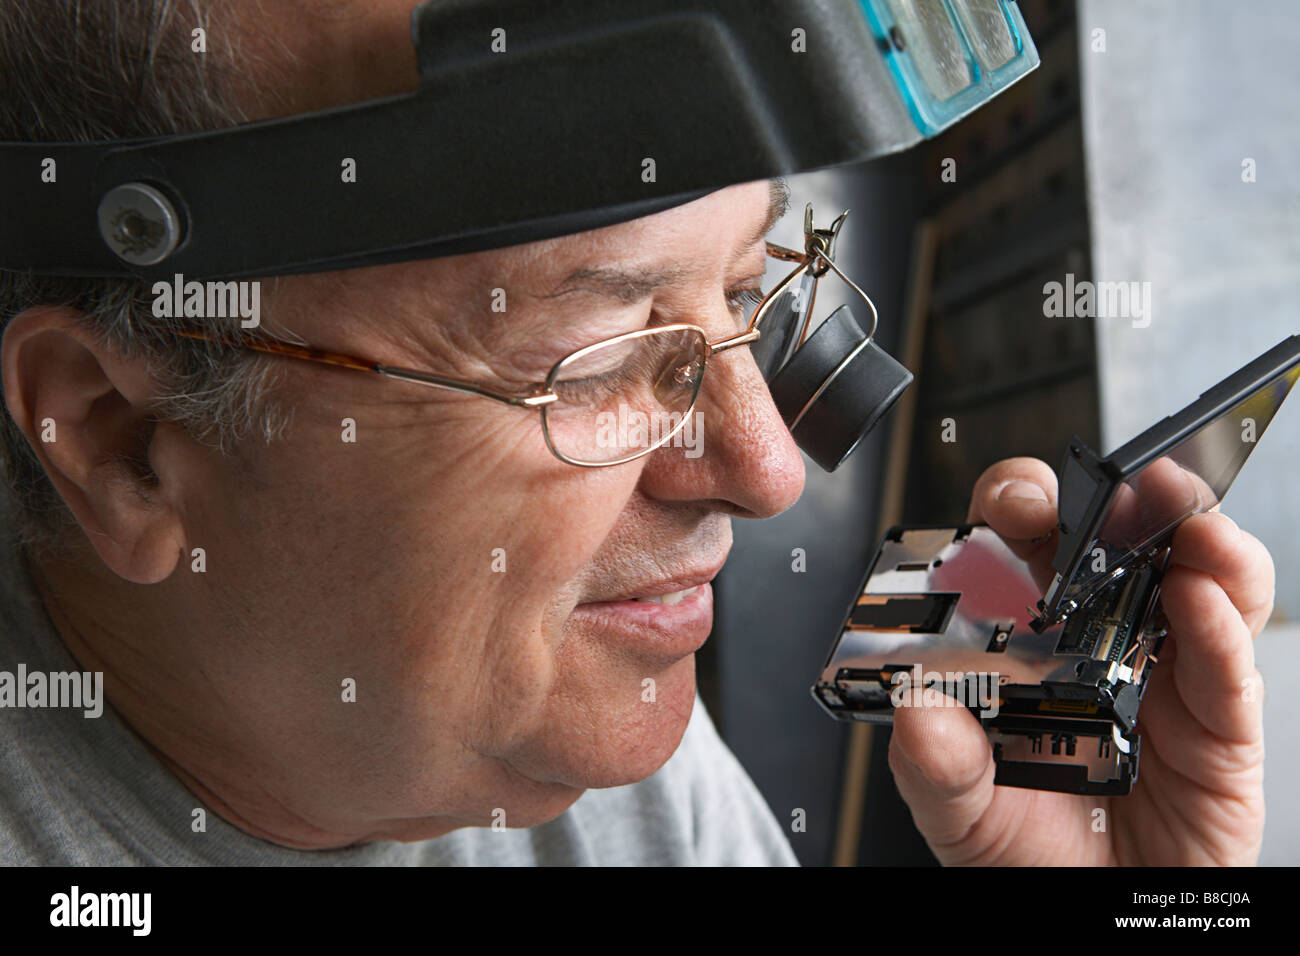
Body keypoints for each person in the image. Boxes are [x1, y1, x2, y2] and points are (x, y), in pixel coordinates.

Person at [0, 0, 1271, 866]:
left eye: (745, 291)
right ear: (124, 440)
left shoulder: (574, 757)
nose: (770, 471)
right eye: (593, 358)